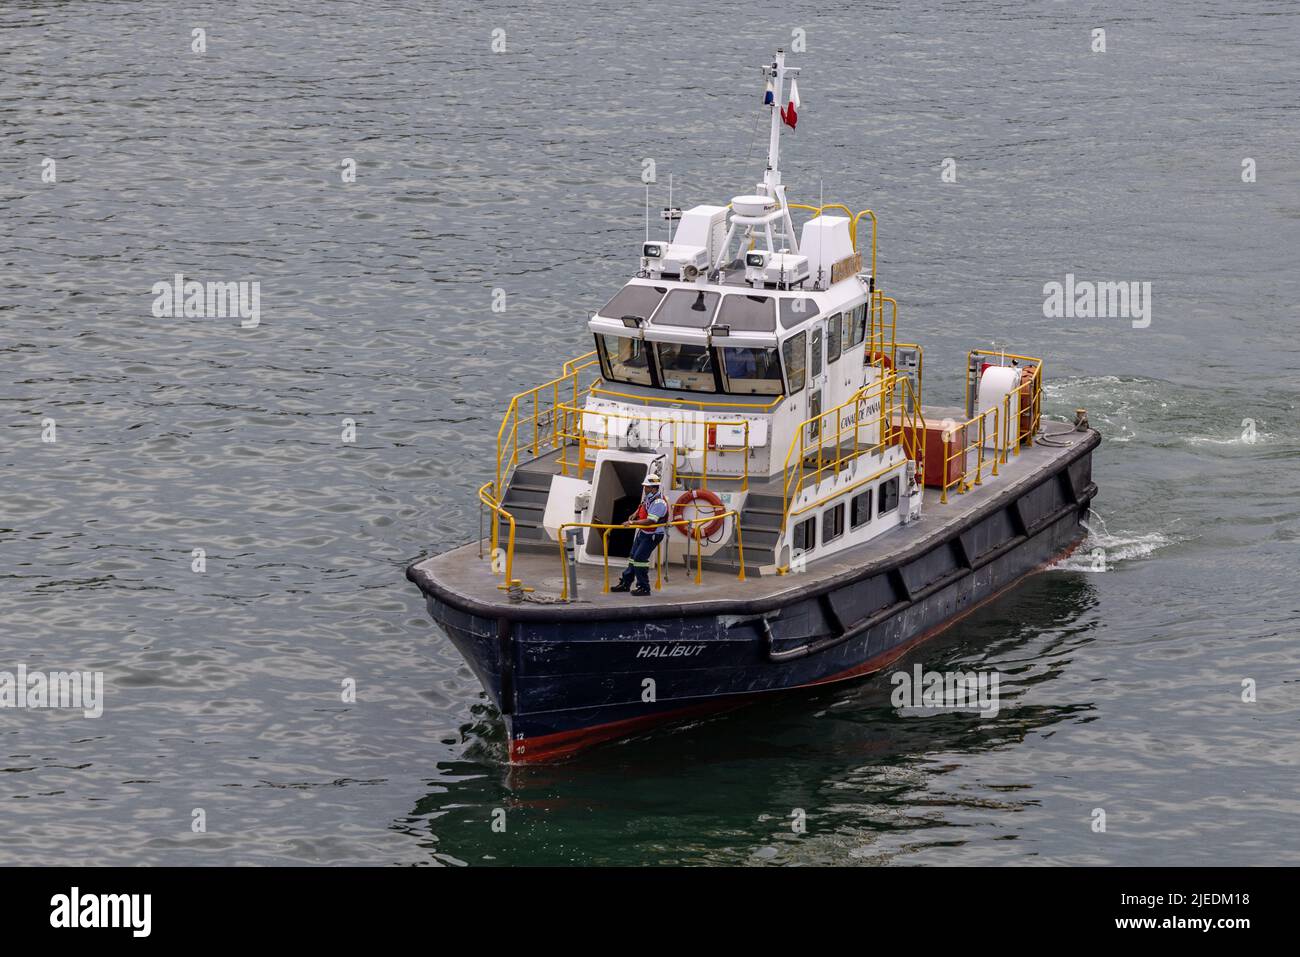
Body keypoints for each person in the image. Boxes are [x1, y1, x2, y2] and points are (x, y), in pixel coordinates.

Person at [610, 471, 669, 596]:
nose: (644, 488)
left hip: (652, 535)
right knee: (633, 557)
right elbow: (643, 506)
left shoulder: (659, 503)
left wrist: (632, 523)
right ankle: (626, 583)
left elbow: (650, 521)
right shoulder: (649, 497)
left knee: (640, 559)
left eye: (646, 486)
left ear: (653, 488)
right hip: (644, 533)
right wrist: (636, 513)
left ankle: (644, 587)